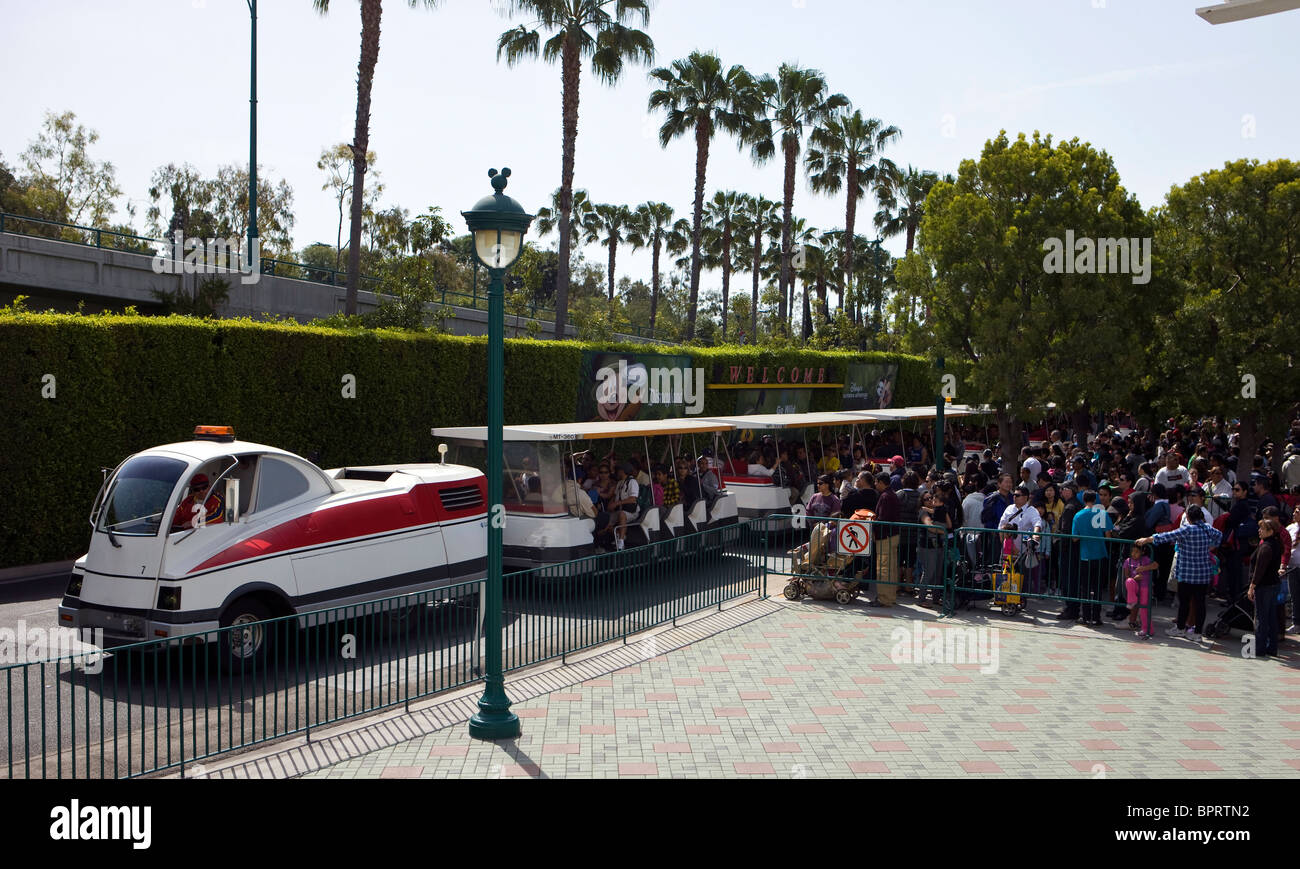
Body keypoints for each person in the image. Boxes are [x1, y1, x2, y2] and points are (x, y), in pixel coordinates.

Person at [1138, 505, 1223, 646]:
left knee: (1184, 602)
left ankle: (1180, 628)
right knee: (1200, 603)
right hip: (1203, 574)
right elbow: (1219, 536)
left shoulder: (1187, 529)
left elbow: (1167, 536)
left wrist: (1147, 539)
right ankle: (1197, 633)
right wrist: (1211, 546)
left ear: (1188, 517)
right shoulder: (1208, 529)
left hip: (1187, 573)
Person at [1072, 490, 1113, 625]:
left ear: (1083, 500)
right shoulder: (1102, 513)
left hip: (1085, 555)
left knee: (1085, 587)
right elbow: (1108, 535)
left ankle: (1085, 616)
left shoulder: (1078, 515)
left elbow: (1075, 538)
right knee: (1097, 587)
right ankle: (1096, 617)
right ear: (1095, 500)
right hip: (1100, 553)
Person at [1247, 517, 1284, 658]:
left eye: (1262, 528)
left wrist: (1252, 586)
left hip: (1264, 586)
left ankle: (1260, 648)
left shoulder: (1267, 547)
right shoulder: (1275, 544)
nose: (1259, 531)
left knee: (1261, 618)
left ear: (1271, 531)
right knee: (1270, 617)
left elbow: (1259, 570)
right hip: (1273, 584)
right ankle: (1272, 647)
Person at [870, 472, 901, 607]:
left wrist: (872, 522)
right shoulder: (891, 495)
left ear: (882, 482)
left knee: (884, 568)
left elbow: (883, 519)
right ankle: (890, 596)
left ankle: (884, 598)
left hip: (885, 537)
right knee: (891, 568)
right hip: (892, 536)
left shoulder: (885, 496)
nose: (875, 484)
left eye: (876, 482)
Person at [1123, 542, 1158, 638]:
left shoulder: (1145, 559)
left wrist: (1143, 568)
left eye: (1137, 552)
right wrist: (1135, 578)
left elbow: (1155, 565)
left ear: (1142, 552)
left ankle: (1147, 629)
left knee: (1144, 609)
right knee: (1129, 581)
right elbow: (1127, 576)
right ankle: (1132, 601)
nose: (1134, 554)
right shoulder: (1128, 561)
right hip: (1134, 586)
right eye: (1132, 551)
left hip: (1144, 586)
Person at [609, 464, 640, 550]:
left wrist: (617, 503)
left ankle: (621, 542)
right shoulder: (619, 482)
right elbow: (614, 496)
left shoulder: (632, 482)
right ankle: (619, 535)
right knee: (606, 521)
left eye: (619, 470)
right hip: (619, 510)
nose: (617, 472)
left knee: (622, 515)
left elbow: (633, 499)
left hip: (631, 511)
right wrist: (611, 504)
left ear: (622, 471)